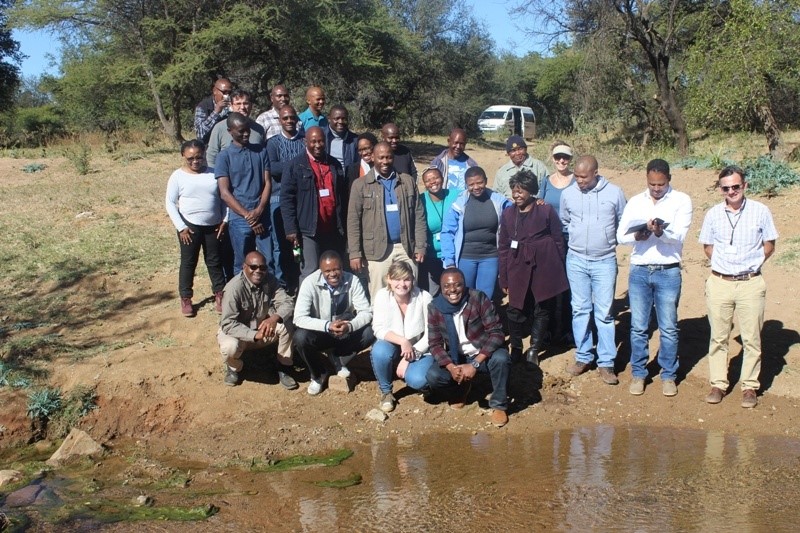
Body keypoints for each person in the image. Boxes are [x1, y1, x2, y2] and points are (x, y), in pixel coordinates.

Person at [699, 165, 778, 408]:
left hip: (750, 282)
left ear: (744, 186)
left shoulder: (760, 211)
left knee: (752, 338)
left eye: (736, 186)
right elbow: (707, 246)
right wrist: (724, 266)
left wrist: (752, 264)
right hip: (720, 282)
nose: (731, 191)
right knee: (718, 337)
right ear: (720, 189)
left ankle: (749, 387)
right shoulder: (712, 214)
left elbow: (769, 244)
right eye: (726, 188)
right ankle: (718, 383)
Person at [617, 159, 693, 397]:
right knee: (639, 326)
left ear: (669, 179)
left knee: (668, 327)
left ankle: (668, 374)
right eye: (652, 184)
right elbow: (621, 235)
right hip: (640, 269)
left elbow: (679, 235)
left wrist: (660, 232)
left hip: (668, 270)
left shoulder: (681, 200)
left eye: (660, 184)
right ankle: (639, 373)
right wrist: (639, 235)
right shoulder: (637, 201)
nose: (656, 188)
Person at [560, 155, 626, 384]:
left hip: (604, 260)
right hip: (576, 259)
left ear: (595, 173)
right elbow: (565, 221)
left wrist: (605, 239)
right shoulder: (568, 194)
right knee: (579, 309)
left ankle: (606, 362)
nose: (579, 181)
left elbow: (621, 222)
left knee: (605, 313)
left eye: (583, 177)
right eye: (576, 176)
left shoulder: (615, 193)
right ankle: (583, 355)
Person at [499, 169, 568, 367]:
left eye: (521, 191)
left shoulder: (545, 210)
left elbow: (558, 239)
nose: (517, 194)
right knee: (515, 309)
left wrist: (559, 267)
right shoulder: (508, 213)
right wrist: (503, 277)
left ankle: (535, 349)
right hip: (517, 265)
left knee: (542, 308)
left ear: (532, 192)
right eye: (514, 190)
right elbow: (503, 247)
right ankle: (516, 347)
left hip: (545, 265)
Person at [425, 268, 511, 427]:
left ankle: (499, 404)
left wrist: (475, 364)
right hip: (457, 357)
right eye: (447, 286)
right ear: (442, 288)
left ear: (464, 286)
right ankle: (461, 389)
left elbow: (497, 333)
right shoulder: (434, 307)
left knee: (501, 358)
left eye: (457, 285)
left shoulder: (478, 298)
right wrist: (451, 367)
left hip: (482, 354)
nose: (452, 290)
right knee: (433, 376)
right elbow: (435, 344)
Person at [348, 141, 427, 301]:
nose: (385, 162)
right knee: (379, 296)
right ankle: (381, 326)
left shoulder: (407, 182)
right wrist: (355, 253)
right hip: (377, 250)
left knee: (410, 293)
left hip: (406, 248)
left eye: (388, 157)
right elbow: (353, 220)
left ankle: (411, 325)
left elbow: (419, 215)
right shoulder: (360, 185)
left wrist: (420, 245)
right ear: (372, 157)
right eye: (381, 158)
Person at [293, 251, 374, 395]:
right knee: (300, 337)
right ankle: (318, 375)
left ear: (342, 267)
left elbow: (366, 312)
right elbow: (299, 317)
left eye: (336, 269)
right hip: (321, 332)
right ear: (320, 270)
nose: (333, 274)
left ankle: (339, 358)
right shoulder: (310, 283)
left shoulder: (352, 280)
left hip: (344, 331)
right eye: (327, 271)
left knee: (371, 331)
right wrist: (326, 325)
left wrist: (350, 326)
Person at [165, 140, 228, 317]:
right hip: (189, 227)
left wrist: (225, 220)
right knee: (188, 262)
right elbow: (170, 203)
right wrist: (181, 227)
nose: (195, 161)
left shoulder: (214, 174)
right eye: (190, 158)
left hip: (213, 225)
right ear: (183, 157)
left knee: (214, 261)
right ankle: (186, 298)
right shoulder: (177, 176)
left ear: (204, 154)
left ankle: (219, 294)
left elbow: (224, 198)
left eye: (199, 157)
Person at [217, 251, 296, 389]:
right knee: (229, 347)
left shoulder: (270, 280)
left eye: (262, 267)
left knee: (286, 323)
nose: (258, 271)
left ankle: (284, 366)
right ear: (244, 267)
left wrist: (274, 318)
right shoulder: (233, 288)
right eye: (253, 267)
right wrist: (253, 335)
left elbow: (287, 302)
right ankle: (234, 368)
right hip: (239, 334)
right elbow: (228, 323)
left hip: (261, 328)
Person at [281, 126, 349, 282]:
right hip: (309, 230)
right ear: (305, 142)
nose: (318, 145)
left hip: (333, 229)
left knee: (333, 269)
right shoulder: (295, 166)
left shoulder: (334, 164)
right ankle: (306, 305)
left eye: (321, 141)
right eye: (313, 142)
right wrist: (291, 229)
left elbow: (342, 196)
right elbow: (287, 199)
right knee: (310, 271)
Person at [369, 261, 435, 413]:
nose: (402, 284)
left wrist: (408, 357)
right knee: (379, 351)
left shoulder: (424, 297)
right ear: (389, 279)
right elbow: (377, 328)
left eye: (406, 279)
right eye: (397, 279)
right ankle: (386, 392)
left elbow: (431, 333)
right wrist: (402, 341)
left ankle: (423, 383)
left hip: (420, 347)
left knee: (416, 380)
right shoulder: (382, 296)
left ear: (412, 280)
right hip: (393, 343)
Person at [440, 166, 511, 300]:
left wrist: (535, 202)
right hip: (466, 257)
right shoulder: (459, 204)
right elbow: (447, 232)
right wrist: (449, 260)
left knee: (485, 297)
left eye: (479, 183)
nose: (476, 187)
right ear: (466, 185)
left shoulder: (498, 201)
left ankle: (483, 320)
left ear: (486, 181)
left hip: (490, 257)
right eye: (471, 184)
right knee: (465, 295)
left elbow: (516, 213)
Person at [215, 112, 272, 275]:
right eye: (241, 131)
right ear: (230, 131)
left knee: (267, 260)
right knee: (242, 262)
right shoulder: (224, 157)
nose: (246, 134)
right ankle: (240, 296)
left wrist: (260, 209)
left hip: (262, 214)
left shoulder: (260, 151)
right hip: (240, 218)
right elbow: (225, 193)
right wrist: (248, 216)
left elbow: (267, 182)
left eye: (247, 130)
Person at [539, 141, 576, 344]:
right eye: (558, 157)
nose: (562, 161)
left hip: (571, 238)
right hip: (550, 239)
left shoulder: (577, 180)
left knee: (571, 285)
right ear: (552, 159)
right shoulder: (545, 182)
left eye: (566, 157)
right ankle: (550, 329)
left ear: (570, 159)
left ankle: (569, 330)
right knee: (552, 285)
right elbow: (539, 204)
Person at [265, 104, 305, 291]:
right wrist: (296, 166)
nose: (289, 121)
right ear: (279, 120)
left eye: (292, 118)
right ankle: (281, 283)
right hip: (277, 197)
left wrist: (287, 167)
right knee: (280, 244)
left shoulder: (305, 142)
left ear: (297, 120)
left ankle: (299, 279)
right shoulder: (273, 143)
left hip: (302, 197)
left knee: (300, 242)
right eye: (285, 118)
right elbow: (273, 169)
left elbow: (308, 167)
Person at [419, 167, 459, 295]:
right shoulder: (421, 200)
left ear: (442, 179)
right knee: (433, 293)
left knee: (454, 289)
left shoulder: (456, 195)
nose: (433, 182)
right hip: (431, 256)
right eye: (428, 180)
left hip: (454, 254)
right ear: (424, 184)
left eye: (436, 178)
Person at [206, 89, 265, 169]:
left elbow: (263, 158)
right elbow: (211, 158)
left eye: (246, 103)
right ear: (231, 106)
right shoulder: (219, 128)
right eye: (238, 104)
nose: (242, 107)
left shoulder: (259, 129)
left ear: (251, 105)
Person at [493, 135, 549, 199]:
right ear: (508, 153)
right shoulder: (502, 172)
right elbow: (496, 195)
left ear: (526, 149)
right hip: (509, 207)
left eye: (520, 149)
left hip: (534, 206)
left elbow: (547, 189)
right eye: (513, 150)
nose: (517, 153)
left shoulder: (538, 167)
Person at [194, 77, 232, 144]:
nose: (227, 96)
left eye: (229, 92)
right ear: (215, 91)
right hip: (208, 148)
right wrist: (216, 112)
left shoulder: (232, 106)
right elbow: (200, 133)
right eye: (224, 92)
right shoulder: (203, 107)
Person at [325, 105, 359, 170]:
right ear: (329, 119)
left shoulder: (355, 140)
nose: (340, 122)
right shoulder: (322, 137)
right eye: (336, 118)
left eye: (344, 119)